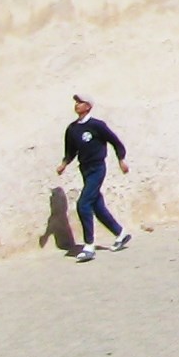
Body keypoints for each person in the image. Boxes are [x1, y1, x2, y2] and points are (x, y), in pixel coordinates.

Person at [62, 95, 134, 258]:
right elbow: (71, 150)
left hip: (97, 168)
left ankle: (89, 245)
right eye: (76, 103)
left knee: (83, 204)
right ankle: (120, 233)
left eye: (80, 102)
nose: (77, 105)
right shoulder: (72, 129)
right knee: (97, 206)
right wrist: (64, 163)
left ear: (88, 106)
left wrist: (121, 159)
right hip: (85, 169)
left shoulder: (97, 125)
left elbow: (115, 142)